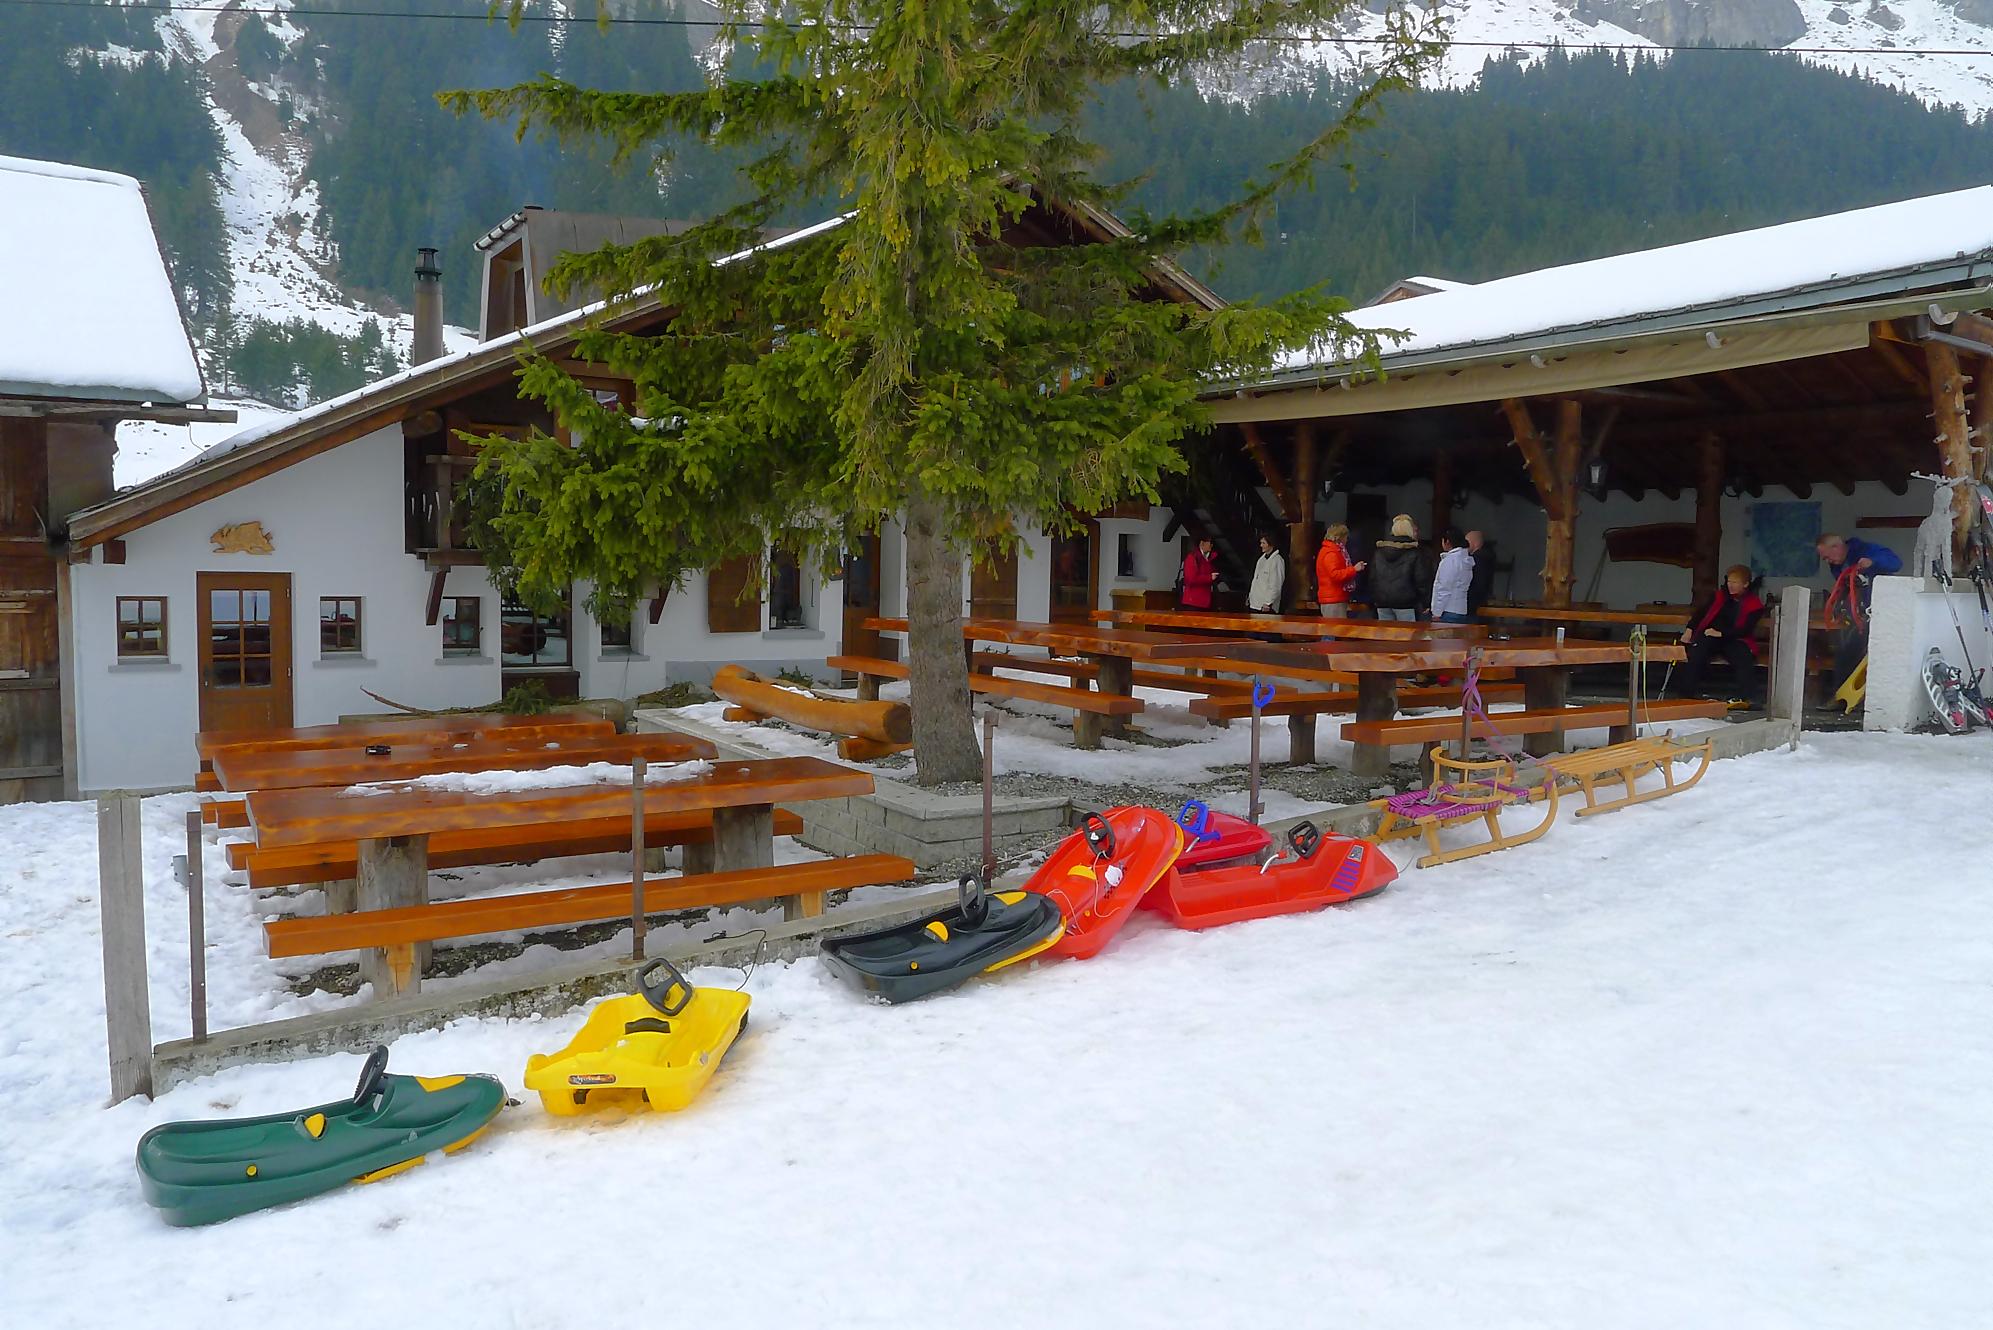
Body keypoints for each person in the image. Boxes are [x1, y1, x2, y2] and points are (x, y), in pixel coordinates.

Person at [1817, 532, 1903, 689]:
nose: (1828, 561)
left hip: (1880, 613)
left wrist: (1873, 562)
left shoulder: (1866, 549)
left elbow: (1896, 563)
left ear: (1836, 547)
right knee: (1845, 653)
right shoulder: (1837, 566)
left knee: (1874, 656)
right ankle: (1842, 695)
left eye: (1827, 557)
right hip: (1858, 616)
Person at [1675, 564, 1766, 701]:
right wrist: (1689, 630)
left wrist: (1721, 633)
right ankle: (1685, 695)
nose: (1730, 585)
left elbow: (1745, 629)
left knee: (1743, 657)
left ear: (1746, 584)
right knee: (1697, 653)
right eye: (1729, 581)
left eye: (1735, 582)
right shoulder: (1719, 597)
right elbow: (1700, 614)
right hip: (1710, 636)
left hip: (1735, 638)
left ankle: (1748, 698)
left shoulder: (1754, 604)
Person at [1367, 514, 1430, 621]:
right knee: (1407, 635)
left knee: (1386, 635)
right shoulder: (1415, 553)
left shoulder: (1379, 552)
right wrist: (1425, 603)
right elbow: (1421, 581)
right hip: (1406, 603)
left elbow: (1372, 578)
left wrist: (1375, 599)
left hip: (1383, 602)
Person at [1313, 523, 1365, 618]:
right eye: (1345, 537)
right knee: (1334, 630)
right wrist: (1354, 569)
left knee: (1333, 630)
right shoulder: (1331, 553)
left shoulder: (1330, 551)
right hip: (1333, 599)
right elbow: (1335, 575)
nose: (1346, 540)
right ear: (1339, 537)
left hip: (1332, 597)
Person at [1430, 527, 1475, 623]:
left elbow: (1444, 588)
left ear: (1447, 542)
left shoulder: (1450, 561)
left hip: (1447, 610)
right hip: (1461, 609)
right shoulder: (1466, 560)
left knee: (1443, 638)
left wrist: (1437, 612)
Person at [1247, 533, 1285, 614]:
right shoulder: (1261, 559)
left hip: (1266, 606)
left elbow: (1276, 584)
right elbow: (1255, 580)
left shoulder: (1277, 560)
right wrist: (1250, 597)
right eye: (1261, 543)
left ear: (1271, 544)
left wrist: (1268, 602)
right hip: (1255, 603)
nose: (1261, 545)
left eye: (1264, 543)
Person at [1179, 536, 1218, 610]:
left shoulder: (1210, 558)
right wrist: (1210, 577)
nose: (1212, 545)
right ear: (1202, 543)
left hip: (1206, 601)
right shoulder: (1193, 557)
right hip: (1193, 602)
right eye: (1210, 543)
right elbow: (1191, 579)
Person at [1465, 529, 1495, 616]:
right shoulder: (1486, 557)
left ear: (1475, 543)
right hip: (1481, 600)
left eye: (1467, 542)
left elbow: (1479, 582)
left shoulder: (1477, 559)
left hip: (1474, 603)